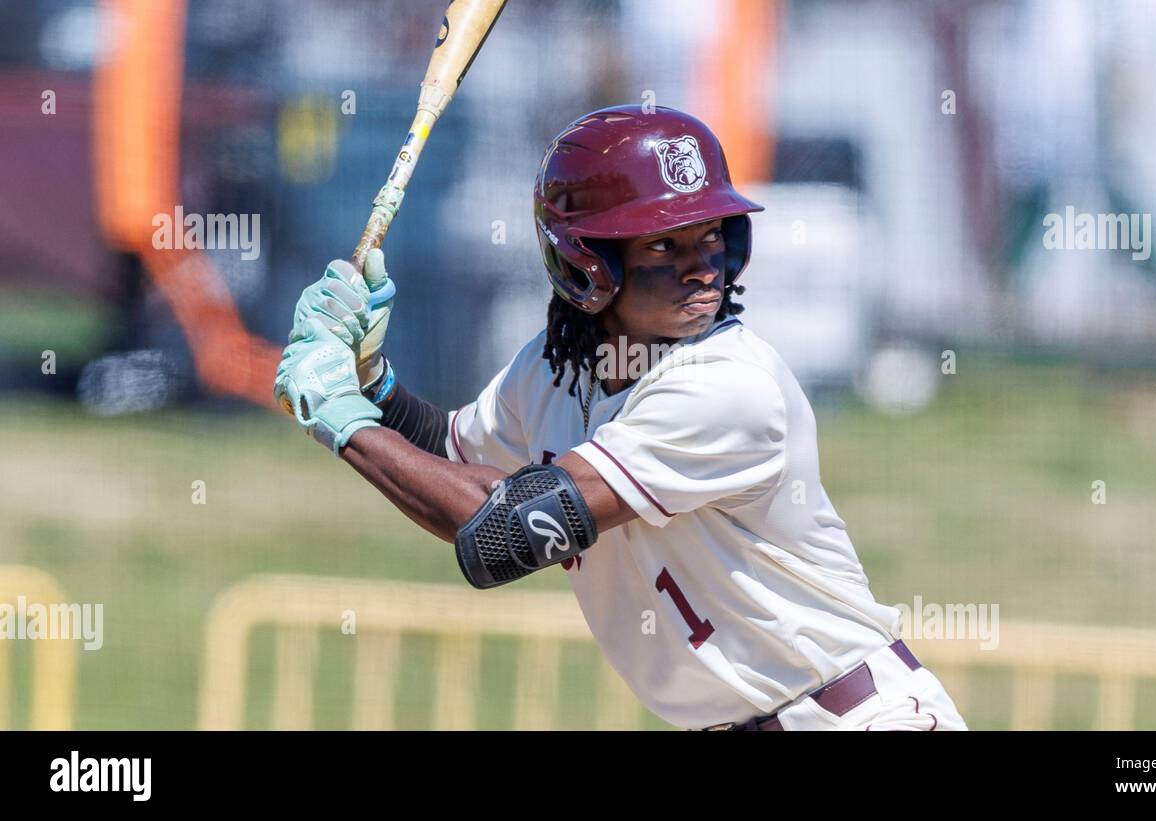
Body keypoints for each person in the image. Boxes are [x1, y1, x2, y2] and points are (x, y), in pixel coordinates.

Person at [274, 104, 967, 731]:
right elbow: (448, 467)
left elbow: (504, 532)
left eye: (710, 236)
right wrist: (373, 383)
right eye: (664, 245)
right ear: (586, 264)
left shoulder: (726, 385)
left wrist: (341, 419)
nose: (702, 268)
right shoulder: (552, 369)